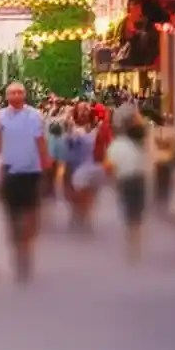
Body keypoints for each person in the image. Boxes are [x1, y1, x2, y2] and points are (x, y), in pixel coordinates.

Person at [0, 82, 50, 282]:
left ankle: (26, 247)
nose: (16, 95)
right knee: (11, 213)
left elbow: (40, 141)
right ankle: (17, 243)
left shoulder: (34, 116)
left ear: (25, 95)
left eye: (19, 92)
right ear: (7, 96)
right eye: (12, 92)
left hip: (30, 170)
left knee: (30, 212)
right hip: (10, 170)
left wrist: (45, 162)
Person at [106, 117, 149, 264]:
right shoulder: (141, 144)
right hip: (139, 180)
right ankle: (135, 247)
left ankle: (132, 246)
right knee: (137, 215)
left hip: (125, 181)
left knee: (129, 214)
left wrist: (113, 180)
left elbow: (109, 166)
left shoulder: (117, 145)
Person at [63, 103, 102, 232]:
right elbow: (67, 143)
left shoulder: (95, 128)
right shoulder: (71, 127)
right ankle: (77, 213)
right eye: (81, 110)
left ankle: (85, 215)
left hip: (89, 165)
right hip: (73, 165)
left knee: (88, 193)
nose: (83, 112)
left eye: (86, 110)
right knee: (74, 194)